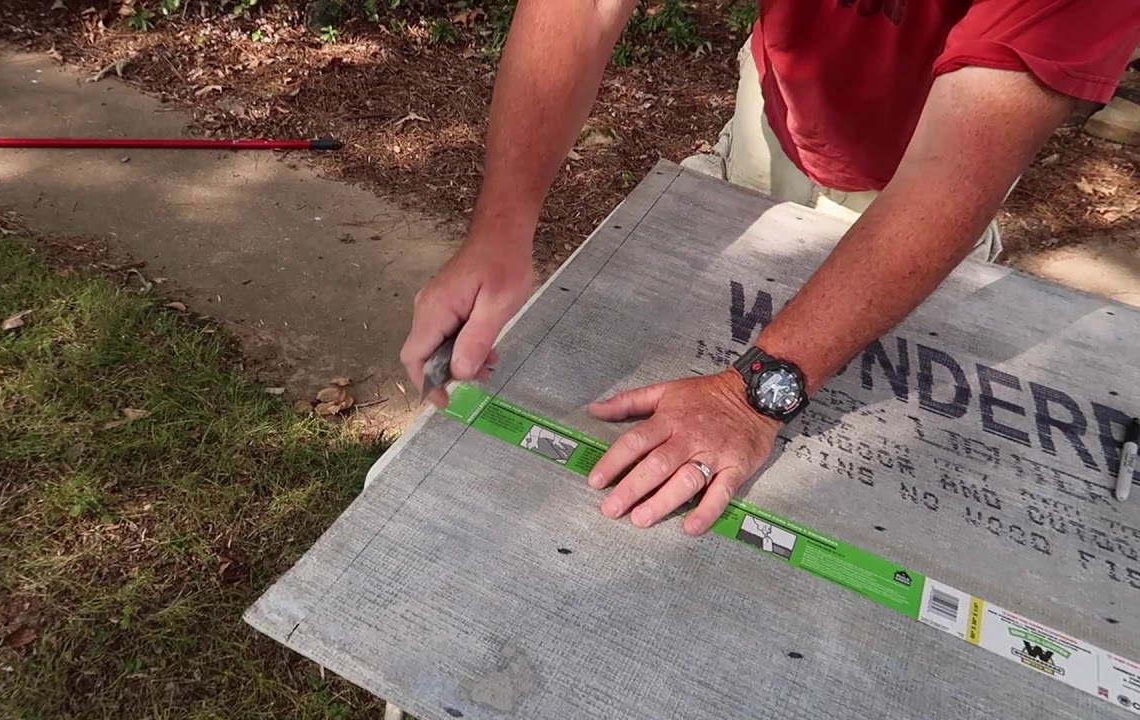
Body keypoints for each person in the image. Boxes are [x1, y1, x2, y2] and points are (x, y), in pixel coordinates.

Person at [400, 0, 1140, 537]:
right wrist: (499, 233)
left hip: (926, 168)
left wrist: (751, 397)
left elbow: (950, 177)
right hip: (773, 111)